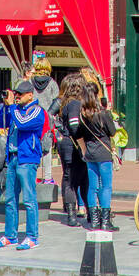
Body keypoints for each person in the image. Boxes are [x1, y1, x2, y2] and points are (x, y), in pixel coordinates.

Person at [0, 80, 46, 250]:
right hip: (13, 158)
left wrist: (12, 108)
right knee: (10, 199)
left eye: (20, 94)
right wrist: (5, 107)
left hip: (28, 158)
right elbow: (1, 124)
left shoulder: (37, 111)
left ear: (30, 95)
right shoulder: (15, 110)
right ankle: (10, 235)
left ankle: (32, 236)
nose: (17, 97)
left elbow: (22, 123)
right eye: (16, 94)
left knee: (29, 199)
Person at [70, 85, 119, 231]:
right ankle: (105, 220)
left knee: (93, 187)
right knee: (106, 186)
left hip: (90, 154)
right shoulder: (103, 114)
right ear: (97, 95)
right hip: (103, 154)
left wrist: (84, 151)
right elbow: (112, 131)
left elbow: (77, 134)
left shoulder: (82, 115)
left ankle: (94, 220)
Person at [53, 72, 89, 227]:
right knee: (76, 179)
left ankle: (73, 213)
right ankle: (75, 214)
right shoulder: (75, 104)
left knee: (71, 178)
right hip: (74, 143)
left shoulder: (64, 102)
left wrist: (60, 130)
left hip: (66, 142)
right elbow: (74, 127)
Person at [30, 57, 59, 184]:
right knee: (47, 148)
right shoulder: (52, 83)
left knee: (33, 146)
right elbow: (56, 100)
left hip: (34, 116)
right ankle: (47, 177)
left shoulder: (31, 82)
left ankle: (33, 175)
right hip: (47, 118)